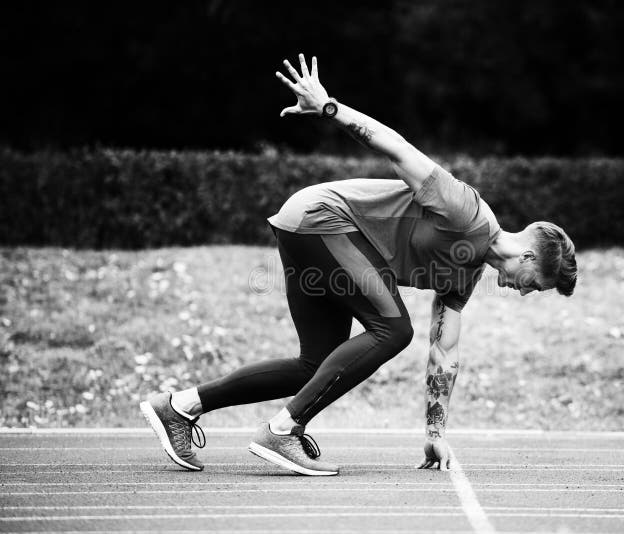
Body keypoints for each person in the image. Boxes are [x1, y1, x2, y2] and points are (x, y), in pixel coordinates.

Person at [140, 54, 577, 476]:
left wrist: (434, 431)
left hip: (311, 231)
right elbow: (398, 148)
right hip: (323, 220)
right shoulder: (467, 211)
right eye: (535, 284)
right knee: (393, 328)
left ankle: (179, 407)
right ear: (529, 256)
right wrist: (329, 108)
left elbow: (444, 353)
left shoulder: (467, 273)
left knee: (316, 365)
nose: (524, 292)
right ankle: (283, 431)